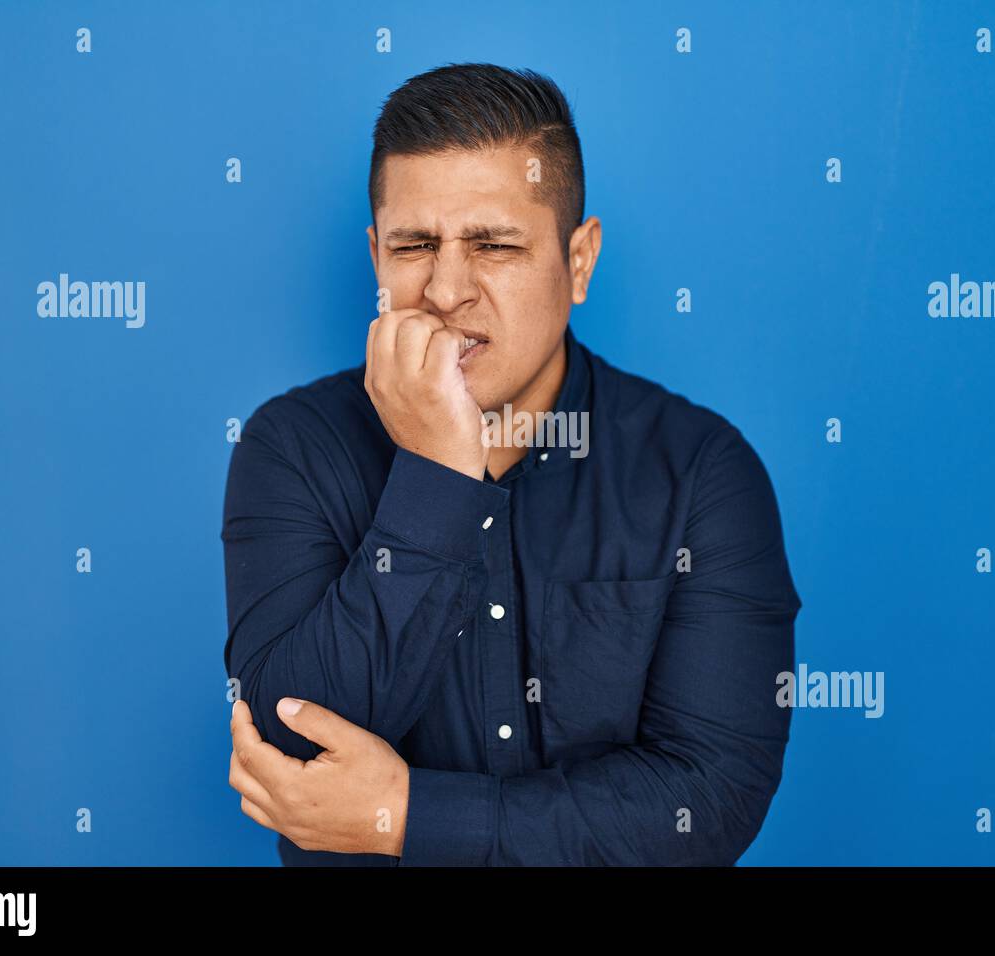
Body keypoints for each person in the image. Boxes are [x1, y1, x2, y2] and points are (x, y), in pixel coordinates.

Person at [222, 63, 802, 866]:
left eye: (493, 244)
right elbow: (287, 744)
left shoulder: (702, 470)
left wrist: (406, 813)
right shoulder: (291, 446)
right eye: (414, 245)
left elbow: (708, 798)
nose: (447, 289)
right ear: (375, 257)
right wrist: (437, 475)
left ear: (581, 260)